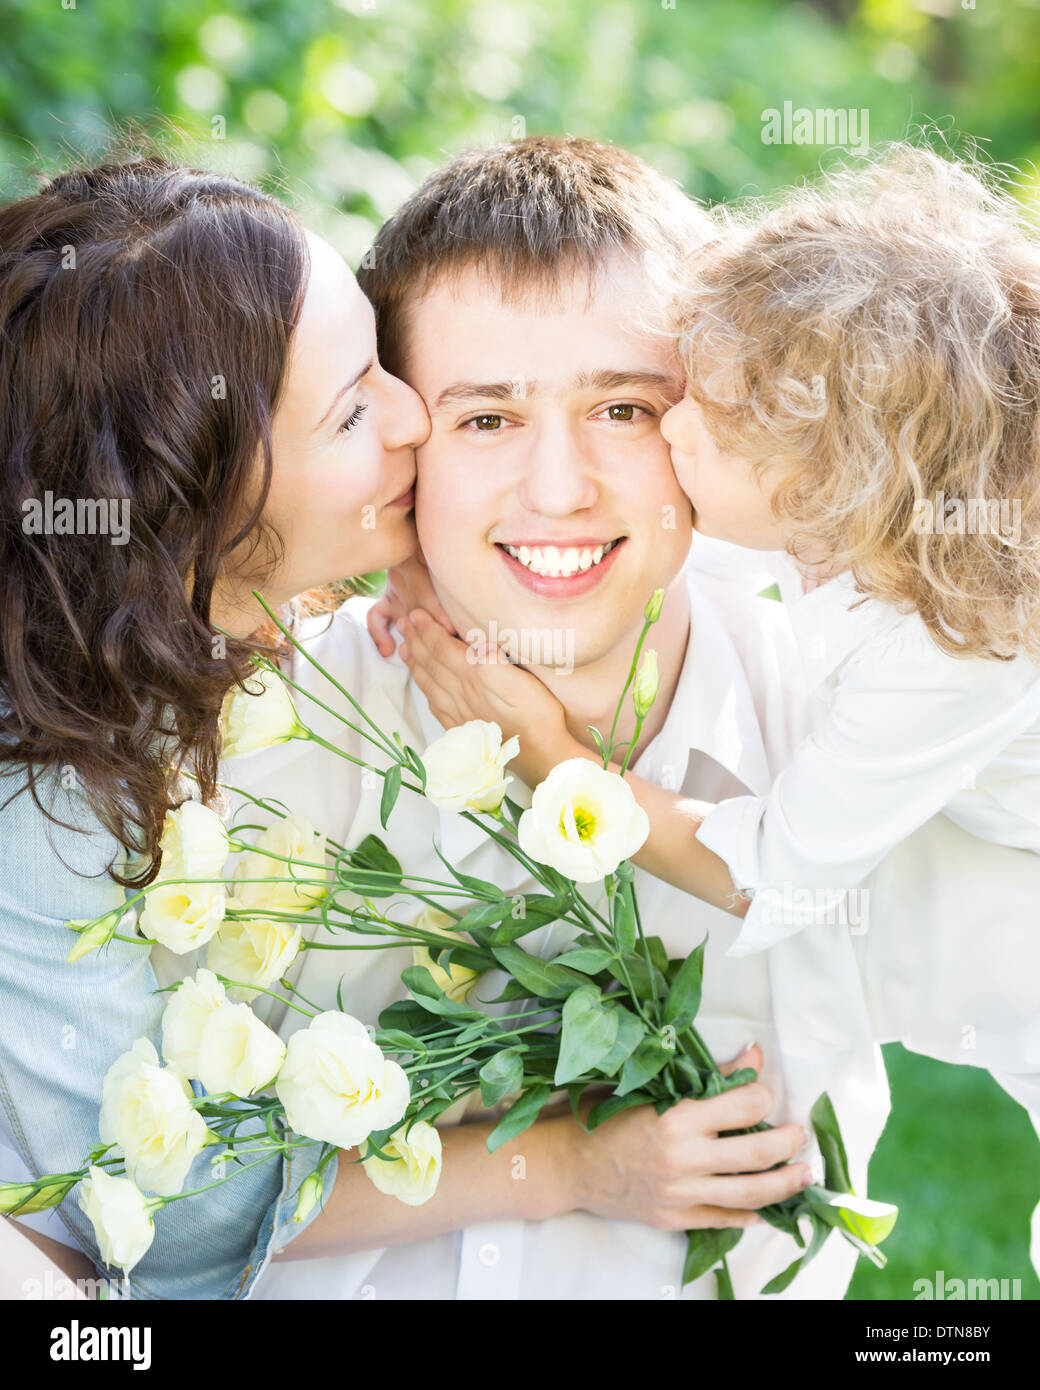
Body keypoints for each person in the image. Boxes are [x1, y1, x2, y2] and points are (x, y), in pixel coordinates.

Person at [239, 137, 887, 1301]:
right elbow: (155, 1192)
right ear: (400, 444)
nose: (558, 488)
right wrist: (568, 1166)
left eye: (623, 409)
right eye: (485, 420)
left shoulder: (837, 721)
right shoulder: (286, 732)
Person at [0, 151, 428, 1297]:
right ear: (190, 507)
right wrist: (569, 1162)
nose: (414, 414)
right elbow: (151, 1206)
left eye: (382, 364)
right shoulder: (49, 788)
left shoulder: (195, 636)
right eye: (351, 411)